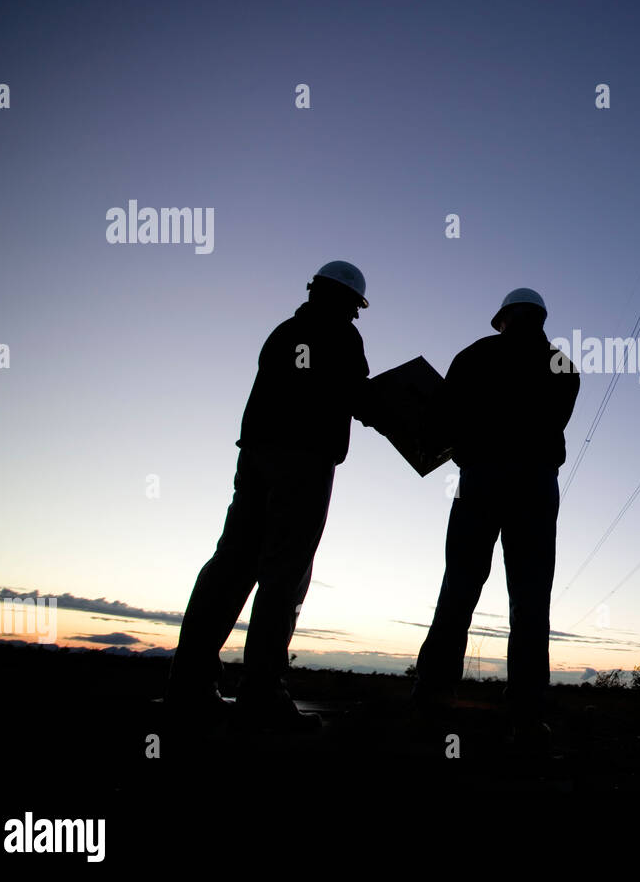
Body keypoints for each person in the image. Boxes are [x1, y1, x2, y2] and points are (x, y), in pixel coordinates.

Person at [167, 261, 374, 732]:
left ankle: (189, 683)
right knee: (285, 573)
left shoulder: (285, 331)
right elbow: (355, 395)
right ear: (351, 304)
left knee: (231, 565)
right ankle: (261, 693)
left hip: (256, 459)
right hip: (303, 463)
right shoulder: (342, 335)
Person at [413, 288, 579, 743]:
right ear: (540, 319)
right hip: (535, 484)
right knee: (530, 600)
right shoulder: (563, 365)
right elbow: (553, 419)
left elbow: (442, 419)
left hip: (481, 480)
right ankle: (526, 711)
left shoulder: (473, 356)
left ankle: (431, 693)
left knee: (459, 586)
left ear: (503, 318)